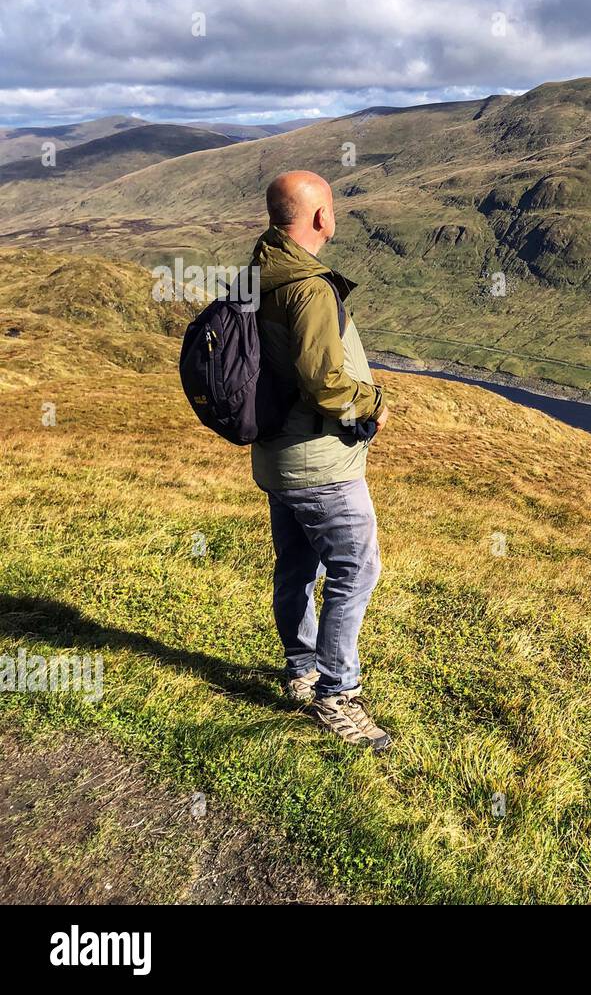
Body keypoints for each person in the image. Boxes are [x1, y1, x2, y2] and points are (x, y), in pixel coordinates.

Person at [250, 170, 392, 751]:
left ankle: (301, 667)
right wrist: (373, 404)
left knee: (296, 566)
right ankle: (337, 694)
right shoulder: (307, 286)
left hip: (278, 457)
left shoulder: (259, 269)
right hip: (319, 464)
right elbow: (324, 383)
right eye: (332, 208)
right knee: (356, 569)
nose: (335, 218)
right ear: (318, 218)